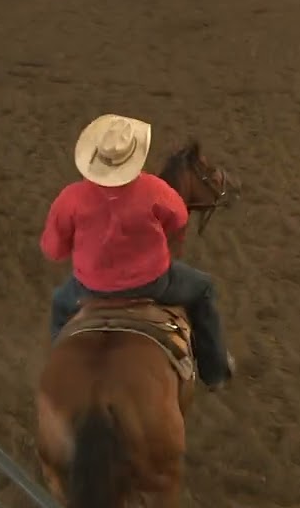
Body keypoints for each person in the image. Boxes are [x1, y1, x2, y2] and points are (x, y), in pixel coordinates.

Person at [41, 114, 235, 391]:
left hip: (89, 288)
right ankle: (214, 370)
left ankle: (60, 369)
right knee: (203, 289)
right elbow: (179, 218)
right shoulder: (155, 189)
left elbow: (54, 251)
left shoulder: (70, 198)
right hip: (152, 282)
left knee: (59, 303)